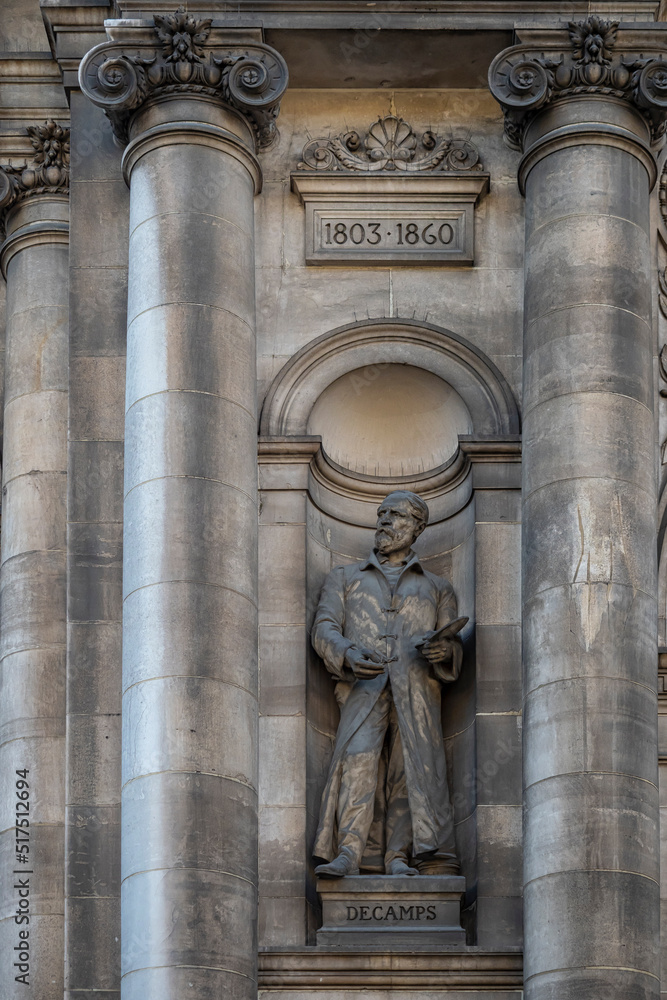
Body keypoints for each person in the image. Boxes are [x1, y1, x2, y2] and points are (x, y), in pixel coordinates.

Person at [312, 490, 464, 878]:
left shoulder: (438, 587)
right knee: (358, 762)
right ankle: (348, 851)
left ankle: (399, 856)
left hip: (416, 693)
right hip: (363, 688)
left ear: (417, 527)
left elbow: (452, 642)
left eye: (395, 515)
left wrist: (443, 652)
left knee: (408, 771)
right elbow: (324, 627)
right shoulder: (344, 577)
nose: (384, 521)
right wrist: (346, 653)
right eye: (382, 514)